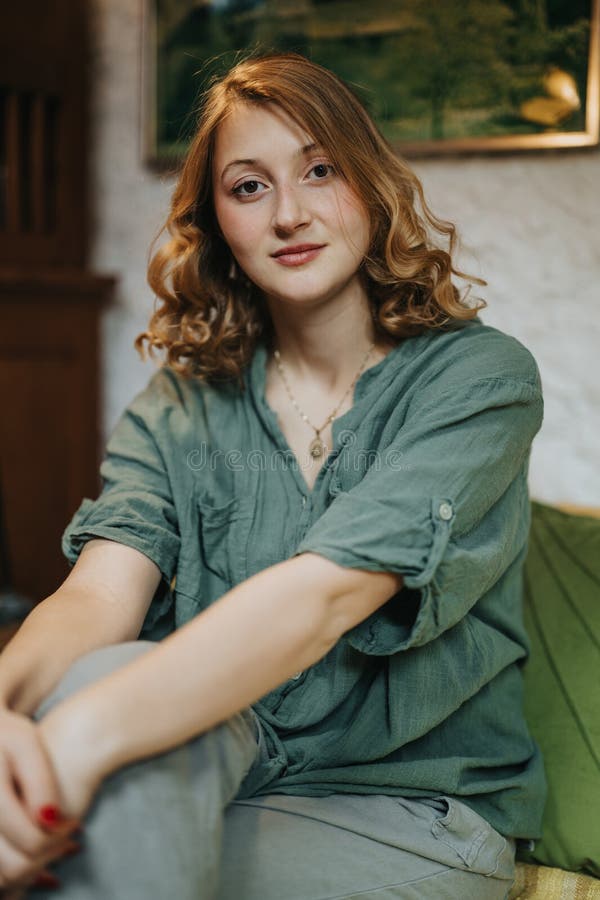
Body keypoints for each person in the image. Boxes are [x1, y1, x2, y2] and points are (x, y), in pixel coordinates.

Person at [0, 52, 545, 899]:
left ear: (369, 183)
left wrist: (80, 737)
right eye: (249, 186)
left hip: (400, 806)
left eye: (319, 171)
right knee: (101, 684)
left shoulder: (478, 380)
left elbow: (325, 596)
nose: (289, 214)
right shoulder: (183, 401)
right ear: (216, 220)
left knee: (81, 855)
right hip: (219, 765)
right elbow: (99, 596)